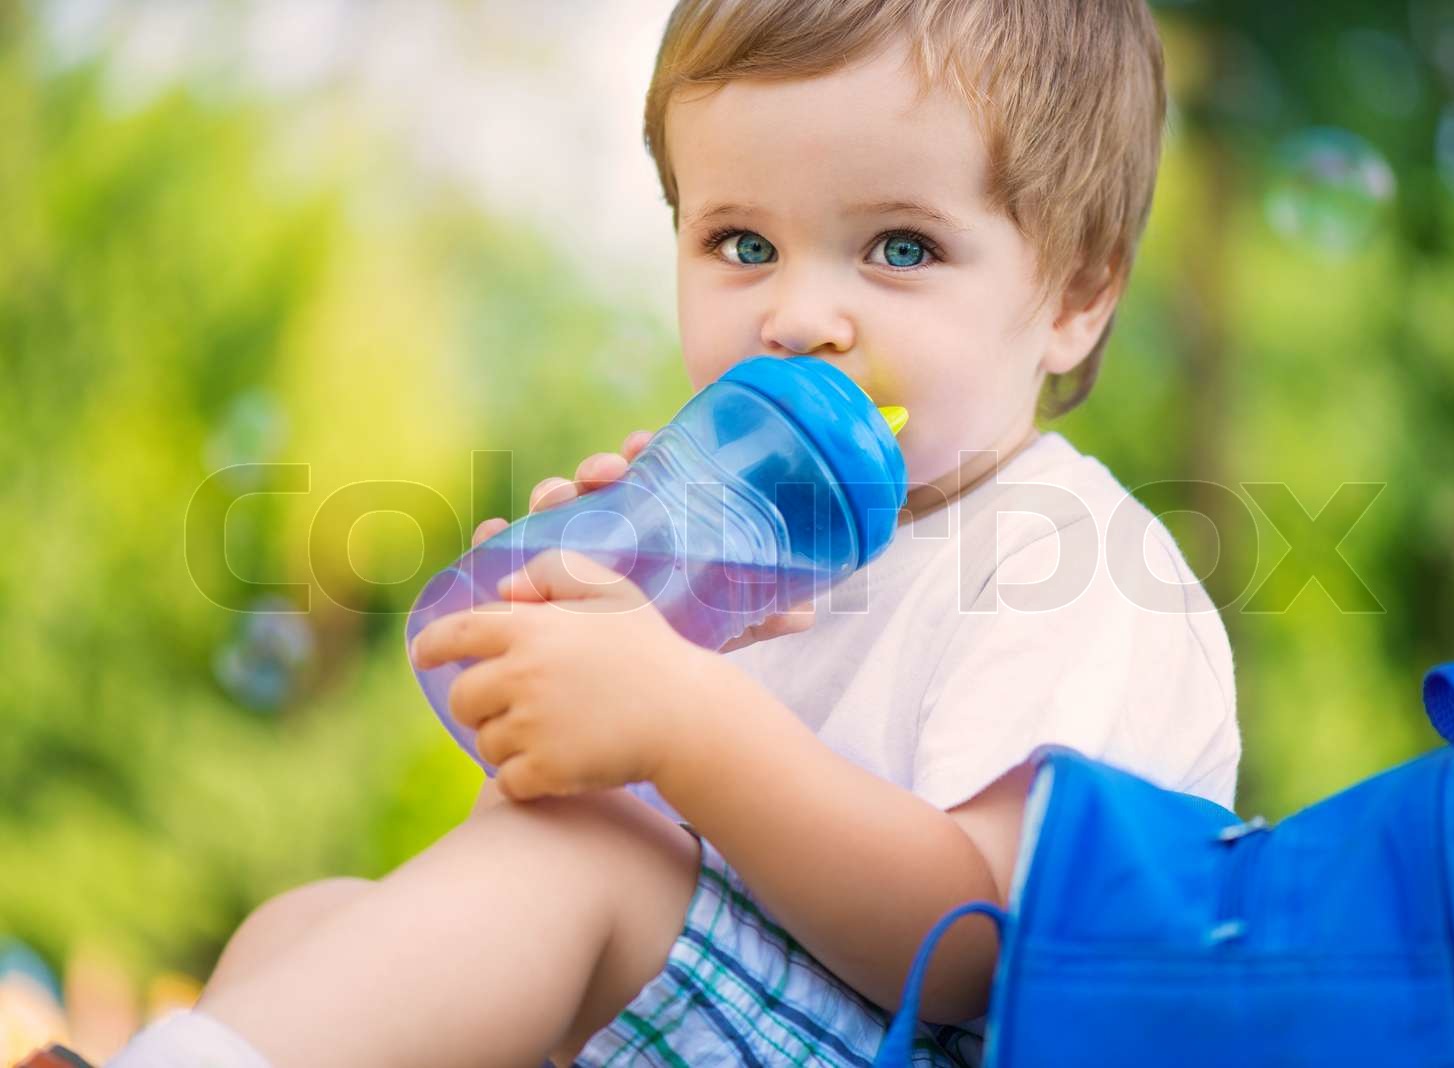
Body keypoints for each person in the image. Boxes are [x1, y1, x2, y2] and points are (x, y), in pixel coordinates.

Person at [110, 1, 1238, 1064]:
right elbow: (551, 879)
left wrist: (682, 724)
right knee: (304, 928)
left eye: (899, 247)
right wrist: (572, 672)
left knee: (583, 856)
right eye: (742, 244)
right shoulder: (740, 526)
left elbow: (983, 945)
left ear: (1074, 294)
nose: (796, 318)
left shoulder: (1074, 562)